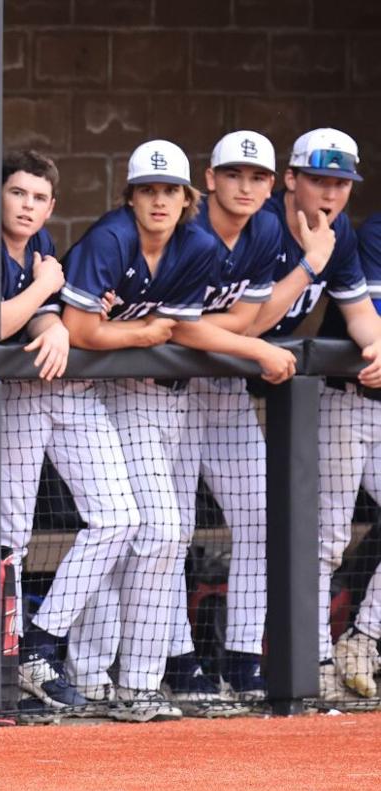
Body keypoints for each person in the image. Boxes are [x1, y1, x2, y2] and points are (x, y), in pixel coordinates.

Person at [47, 138, 225, 722]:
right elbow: (80, 330)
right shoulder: (110, 238)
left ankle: (110, 677)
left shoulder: (196, 246)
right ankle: (114, 676)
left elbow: (180, 327)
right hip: (89, 391)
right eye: (148, 190)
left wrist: (132, 331)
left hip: (155, 398)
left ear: (187, 198)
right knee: (157, 529)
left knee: (141, 536)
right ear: (131, 196)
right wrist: (141, 333)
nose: (159, 201)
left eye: (170, 191)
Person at [166, 131, 309, 706]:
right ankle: (176, 660)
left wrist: (230, 331)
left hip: (223, 388)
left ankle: (245, 656)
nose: (245, 186)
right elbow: (180, 328)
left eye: (257, 177)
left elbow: (247, 320)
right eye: (233, 174)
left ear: (271, 185)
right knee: (171, 531)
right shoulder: (188, 231)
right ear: (210, 178)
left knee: (261, 516)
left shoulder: (266, 230)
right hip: (167, 388)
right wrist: (249, 345)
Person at [0, 149, 132, 719]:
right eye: (17, 193)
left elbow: (46, 314)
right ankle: (2, 668)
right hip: (4, 398)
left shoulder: (42, 246)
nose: (27, 206)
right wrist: (45, 291)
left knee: (119, 517)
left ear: (51, 207)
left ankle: (39, 643)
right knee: (10, 536)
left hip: (57, 392)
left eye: (39, 198)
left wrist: (56, 326)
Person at [270, 128, 381, 701]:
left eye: (341, 183)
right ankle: (307, 659)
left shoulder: (342, 235)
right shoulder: (267, 226)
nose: (332, 192)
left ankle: (363, 639)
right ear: (291, 178)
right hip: (342, 400)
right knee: (325, 537)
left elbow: (365, 319)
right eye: (320, 180)